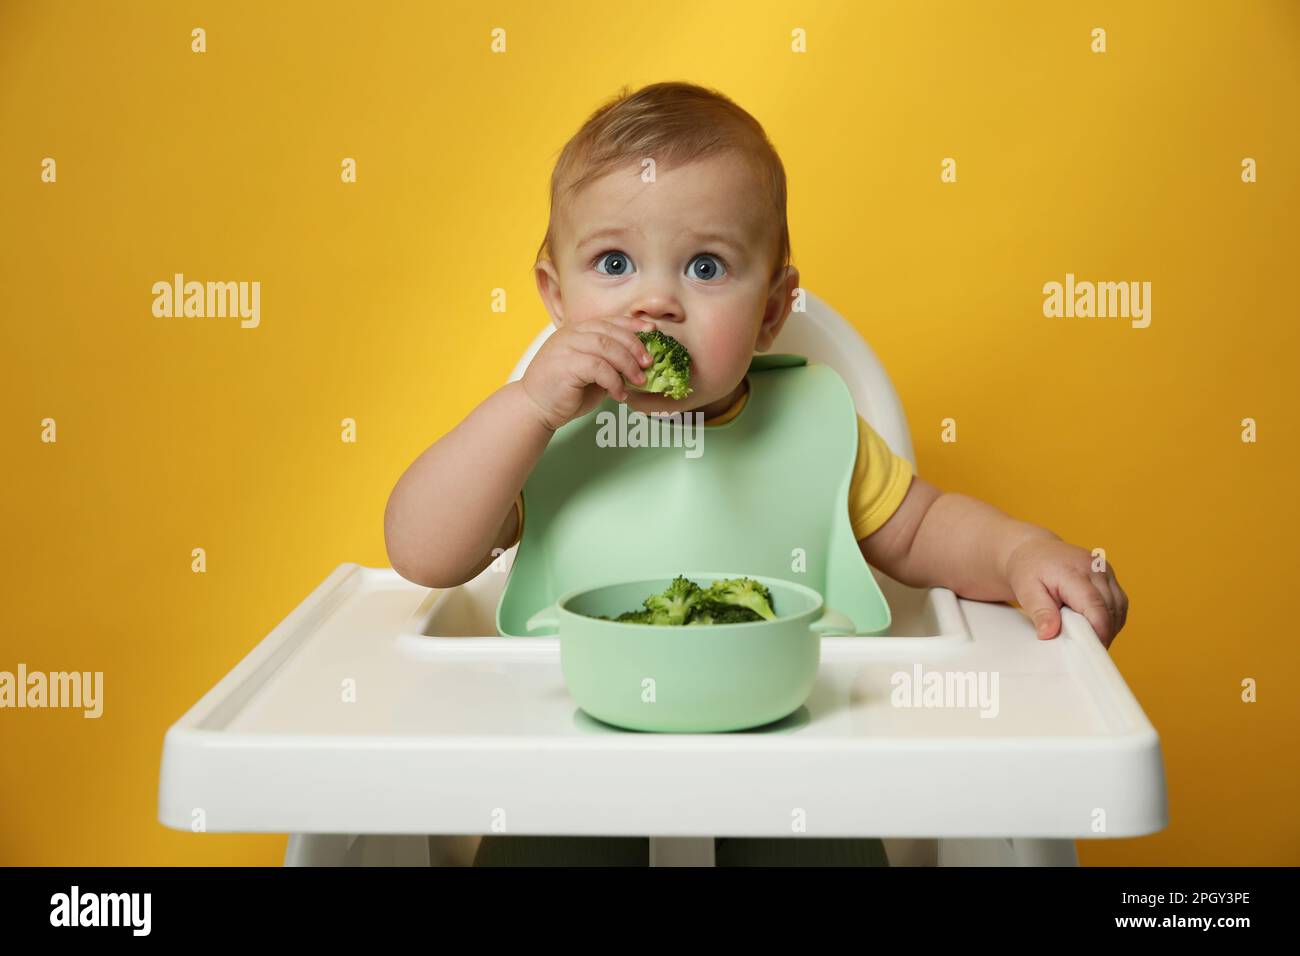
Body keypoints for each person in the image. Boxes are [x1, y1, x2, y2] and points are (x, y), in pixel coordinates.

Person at [384, 81, 1128, 866]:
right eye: (613, 263)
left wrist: (1019, 552)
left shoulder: (814, 426)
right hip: (571, 737)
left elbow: (921, 527)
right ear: (555, 296)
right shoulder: (538, 436)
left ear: (773, 309)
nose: (656, 303)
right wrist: (528, 408)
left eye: (706, 266)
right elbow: (423, 553)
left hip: (797, 733)